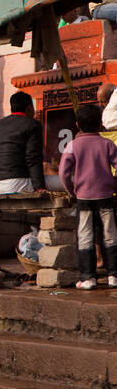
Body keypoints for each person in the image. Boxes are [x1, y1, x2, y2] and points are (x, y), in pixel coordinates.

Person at [60, 102, 117, 289]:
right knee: (110, 235)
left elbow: (63, 173)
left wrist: (71, 190)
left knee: (85, 236)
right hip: (106, 196)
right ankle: (113, 275)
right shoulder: (108, 144)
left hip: (83, 198)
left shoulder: (72, 145)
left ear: (77, 124)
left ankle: (87, 277)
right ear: (100, 123)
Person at [0, 92, 45, 194]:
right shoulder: (33, 124)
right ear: (29, 108)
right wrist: (39, 187)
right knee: (67, 181)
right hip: (18, 183)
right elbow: (33, 158)